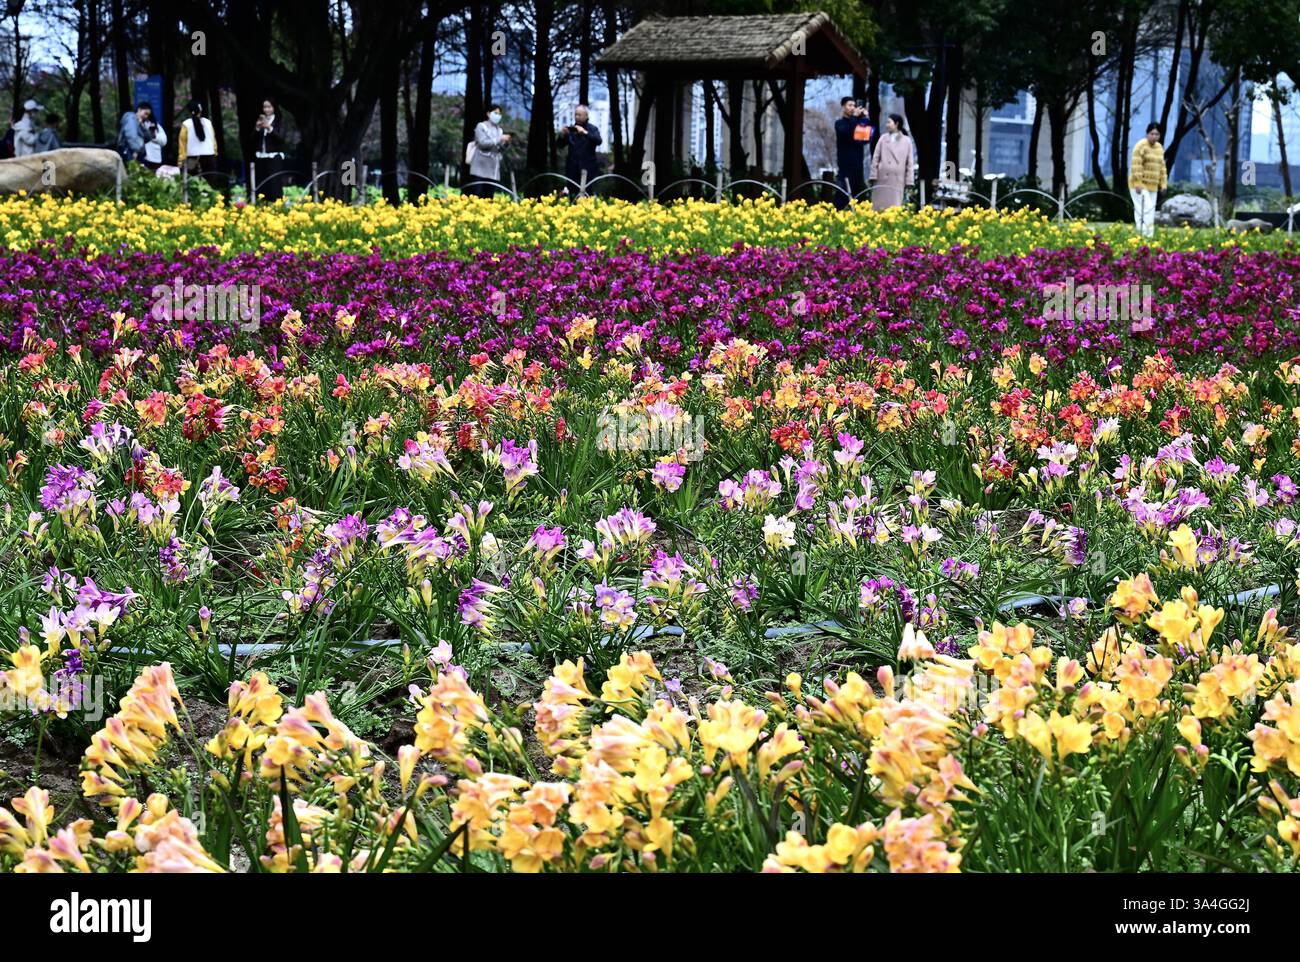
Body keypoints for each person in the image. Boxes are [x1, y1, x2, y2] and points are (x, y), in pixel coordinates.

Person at [869, 113, 914, 211]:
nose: (887, 125)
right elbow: (875, 158)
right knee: (879, 206)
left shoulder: (906, 141)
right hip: (882, 178)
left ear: (896, 124)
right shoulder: (883, 138)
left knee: (894, 207)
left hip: (897, 179)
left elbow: (910, 163)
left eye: (889, 122)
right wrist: (873, 175)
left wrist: (909, 181)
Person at [833, 96, 872, 209]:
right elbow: (848, 133)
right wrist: (854, 117)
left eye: (854, 106)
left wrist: (865, 118)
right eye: (849, 105)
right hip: (845, 166)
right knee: (842, 195)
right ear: (843, 107)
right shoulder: (839, 123)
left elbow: (865, 138)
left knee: (858, 197)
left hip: (858, 165)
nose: (852, 108)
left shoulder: (858, 122)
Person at [1130, 122, 1167, 239]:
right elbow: (1136, 165)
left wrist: (1163, 184)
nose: (1154, 136)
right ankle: (1143, 236)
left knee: (1149, 210)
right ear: (1147, 133)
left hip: (1153, 186)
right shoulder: (1140, 146)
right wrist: (1137, 183)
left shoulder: (1159, 148)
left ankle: (1147, 237)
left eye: (1157, 134)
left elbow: (1162, 168)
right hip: (1139, 185)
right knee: (1145, 210)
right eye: (1152, 133)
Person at [468, 104, 511, 198]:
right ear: (488, 114)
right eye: (495, 113)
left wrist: (506, 143)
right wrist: (499, 139)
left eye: (499, 114)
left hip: (493, 170)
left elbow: (499, 148)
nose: (497, 116)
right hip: (480, 168)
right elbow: (482, 143)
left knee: (489, 198)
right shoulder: (481, 126)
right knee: (477, 196)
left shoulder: (499, 130)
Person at [559, 104, 602, 197]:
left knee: (587, 194)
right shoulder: (571, 129)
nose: (577, 117)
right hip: (572, 169)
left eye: (579, 115)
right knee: (572, 194)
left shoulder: (592, 129)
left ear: (586, 116)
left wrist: (585, 133)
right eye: (575, 114)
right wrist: (563, 135)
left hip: (588, 169)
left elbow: (598, 141)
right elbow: (560, 145)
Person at [253, 98, 286, 201]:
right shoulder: (260, 120)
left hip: (274, 156)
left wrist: (269, 128)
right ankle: (263, 205)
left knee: (274, 183)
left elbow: (281, 139)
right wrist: (257, 128)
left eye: (269, 107)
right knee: (262, 183)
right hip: (261, 156)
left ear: (274, 108)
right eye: (265, 107)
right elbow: (252, 140)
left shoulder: (279, 121)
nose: (266, 109)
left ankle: (277, 205)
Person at [178, 100, 218, 178]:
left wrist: (180, 161)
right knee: (210, 182)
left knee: (191, 181)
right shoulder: (208, 122)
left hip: (192, 158)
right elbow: (214, 141)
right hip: (209, 156)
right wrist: (215, 153)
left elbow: (182, 144)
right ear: (201, 110)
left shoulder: (186, 124)